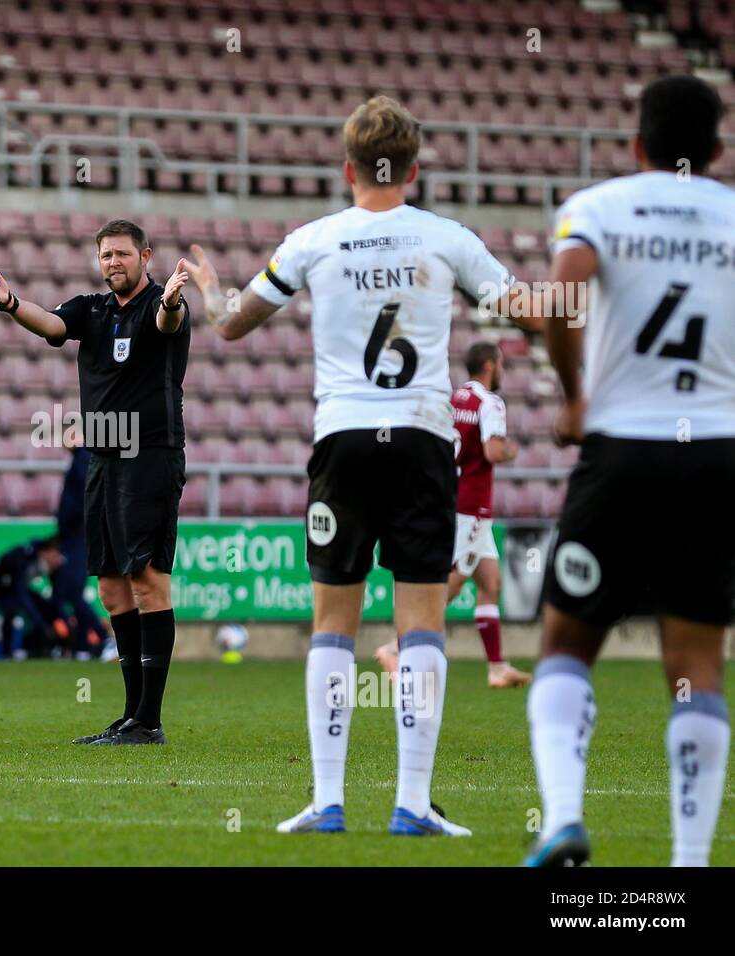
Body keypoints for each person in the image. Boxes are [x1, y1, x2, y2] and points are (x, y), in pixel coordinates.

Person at [184, 95, 533, 835]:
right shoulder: (448, 237)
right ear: (413, 170)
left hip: (343, 439)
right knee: (423, 625)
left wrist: (208, 284)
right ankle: (411, 804)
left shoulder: (313, 238)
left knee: (333, 625)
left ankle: (328, 801)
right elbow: (529, 310)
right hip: (421, 439)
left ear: (347, 168)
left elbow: (229, 324)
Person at [524, 75, 734, 868]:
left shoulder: (598, 207)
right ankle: (687, 864)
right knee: (696, 667)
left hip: (621, 452)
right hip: (715, 453)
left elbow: (563, 295)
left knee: (567, 645)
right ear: (716, 151)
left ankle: (566, 821)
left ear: (638, 143)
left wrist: (576, 397)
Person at [0, 218, 191, 745]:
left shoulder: (162, 303)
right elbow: (50, 325)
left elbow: (167, 322)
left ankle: (150, 719)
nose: (113, 262)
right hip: (102, 459)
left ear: (145, 256)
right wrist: (10, 302)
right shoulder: (90, 309)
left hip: (150, 456)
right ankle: (133, 714)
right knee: (112, 590)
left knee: (147, 581)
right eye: (105, 255)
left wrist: (174, 300)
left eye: (122, 254)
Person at [374, 341, 531, 688]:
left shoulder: (455, 398)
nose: (502, 370)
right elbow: (491, 451)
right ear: (490, 365)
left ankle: (496, 667)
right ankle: (396, 646)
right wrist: (511, 450)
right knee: (456, 578)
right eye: (501, 363)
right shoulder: (490, 402)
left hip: (452, 498)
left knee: (490, 583)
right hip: (473, 506)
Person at [51, 438, 107, 658]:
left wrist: (72, 525)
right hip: (75, 535)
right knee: (70, 592)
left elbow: (86, 495)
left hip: (78, 535)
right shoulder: (80, 457)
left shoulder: (84, 457)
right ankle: (82, 645)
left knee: (72, 592)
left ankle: (103, 637)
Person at [0, 537, 68, 659]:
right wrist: (42, 625)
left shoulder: (48, 564)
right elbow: (21, 594)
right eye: (55, 554)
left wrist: (63, 619)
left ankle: (41, 648)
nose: (57, 559)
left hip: (14, 587)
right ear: (44, 552)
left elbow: (57, 597)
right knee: (10, 609)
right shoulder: (22, 557)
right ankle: (8, 652)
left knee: (46, 607)